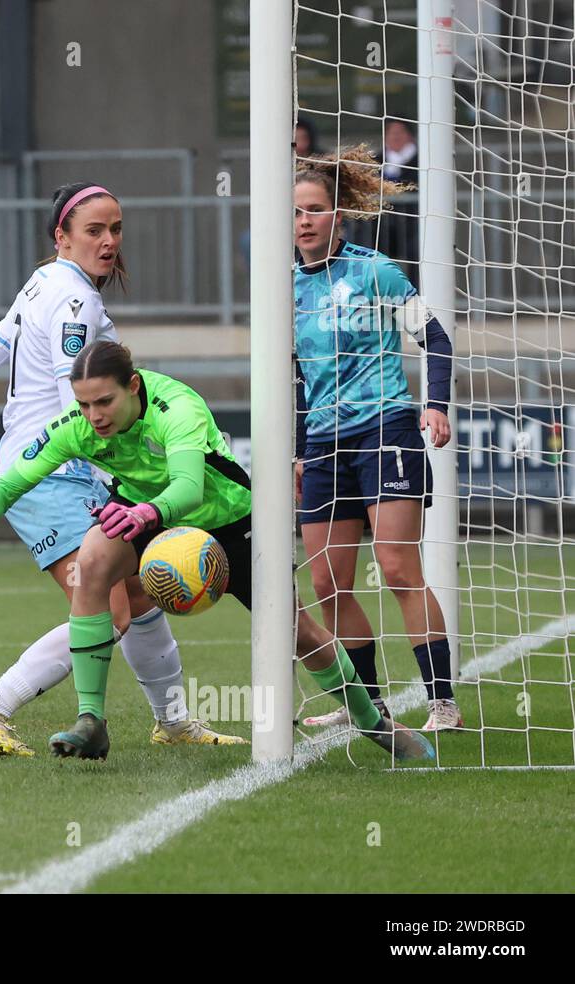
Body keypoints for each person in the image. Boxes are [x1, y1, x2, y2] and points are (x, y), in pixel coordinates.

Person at [0, 340, 436, 763]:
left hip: (230, 520)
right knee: (91, 565)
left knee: (296, 630)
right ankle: (92, 719)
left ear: (133, 387)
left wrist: (145, 514)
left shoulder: (178, 407)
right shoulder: (78, 425)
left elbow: (189, 488)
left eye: (103, 402)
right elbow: (13, 481)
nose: (93, 416)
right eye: (84, 405)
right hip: (144, 513)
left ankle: (372, 720)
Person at [0, 182, 243, 757]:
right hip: (52, 473)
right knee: (108, 606)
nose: (109, 241)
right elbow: (80, 406)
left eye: (116, 229)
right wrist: (116, 475)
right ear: (61, 237)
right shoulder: (75, 301)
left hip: (44, 466)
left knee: (138, 595)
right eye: (94, 230)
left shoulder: (42, 281)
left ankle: (174, 722)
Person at [293, 147, 460, 731]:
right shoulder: (285, 288)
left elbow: (435, 338)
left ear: (339, 215)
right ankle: (368, 706)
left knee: (395, 566)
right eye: (296, 213)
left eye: (315, 210)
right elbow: (296, 375)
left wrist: (434, 405)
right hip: (322, 444)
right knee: (325, 581)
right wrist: (296, 447)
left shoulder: (374, 270)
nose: (304, 221)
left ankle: (443, 702)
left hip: (385, 428)